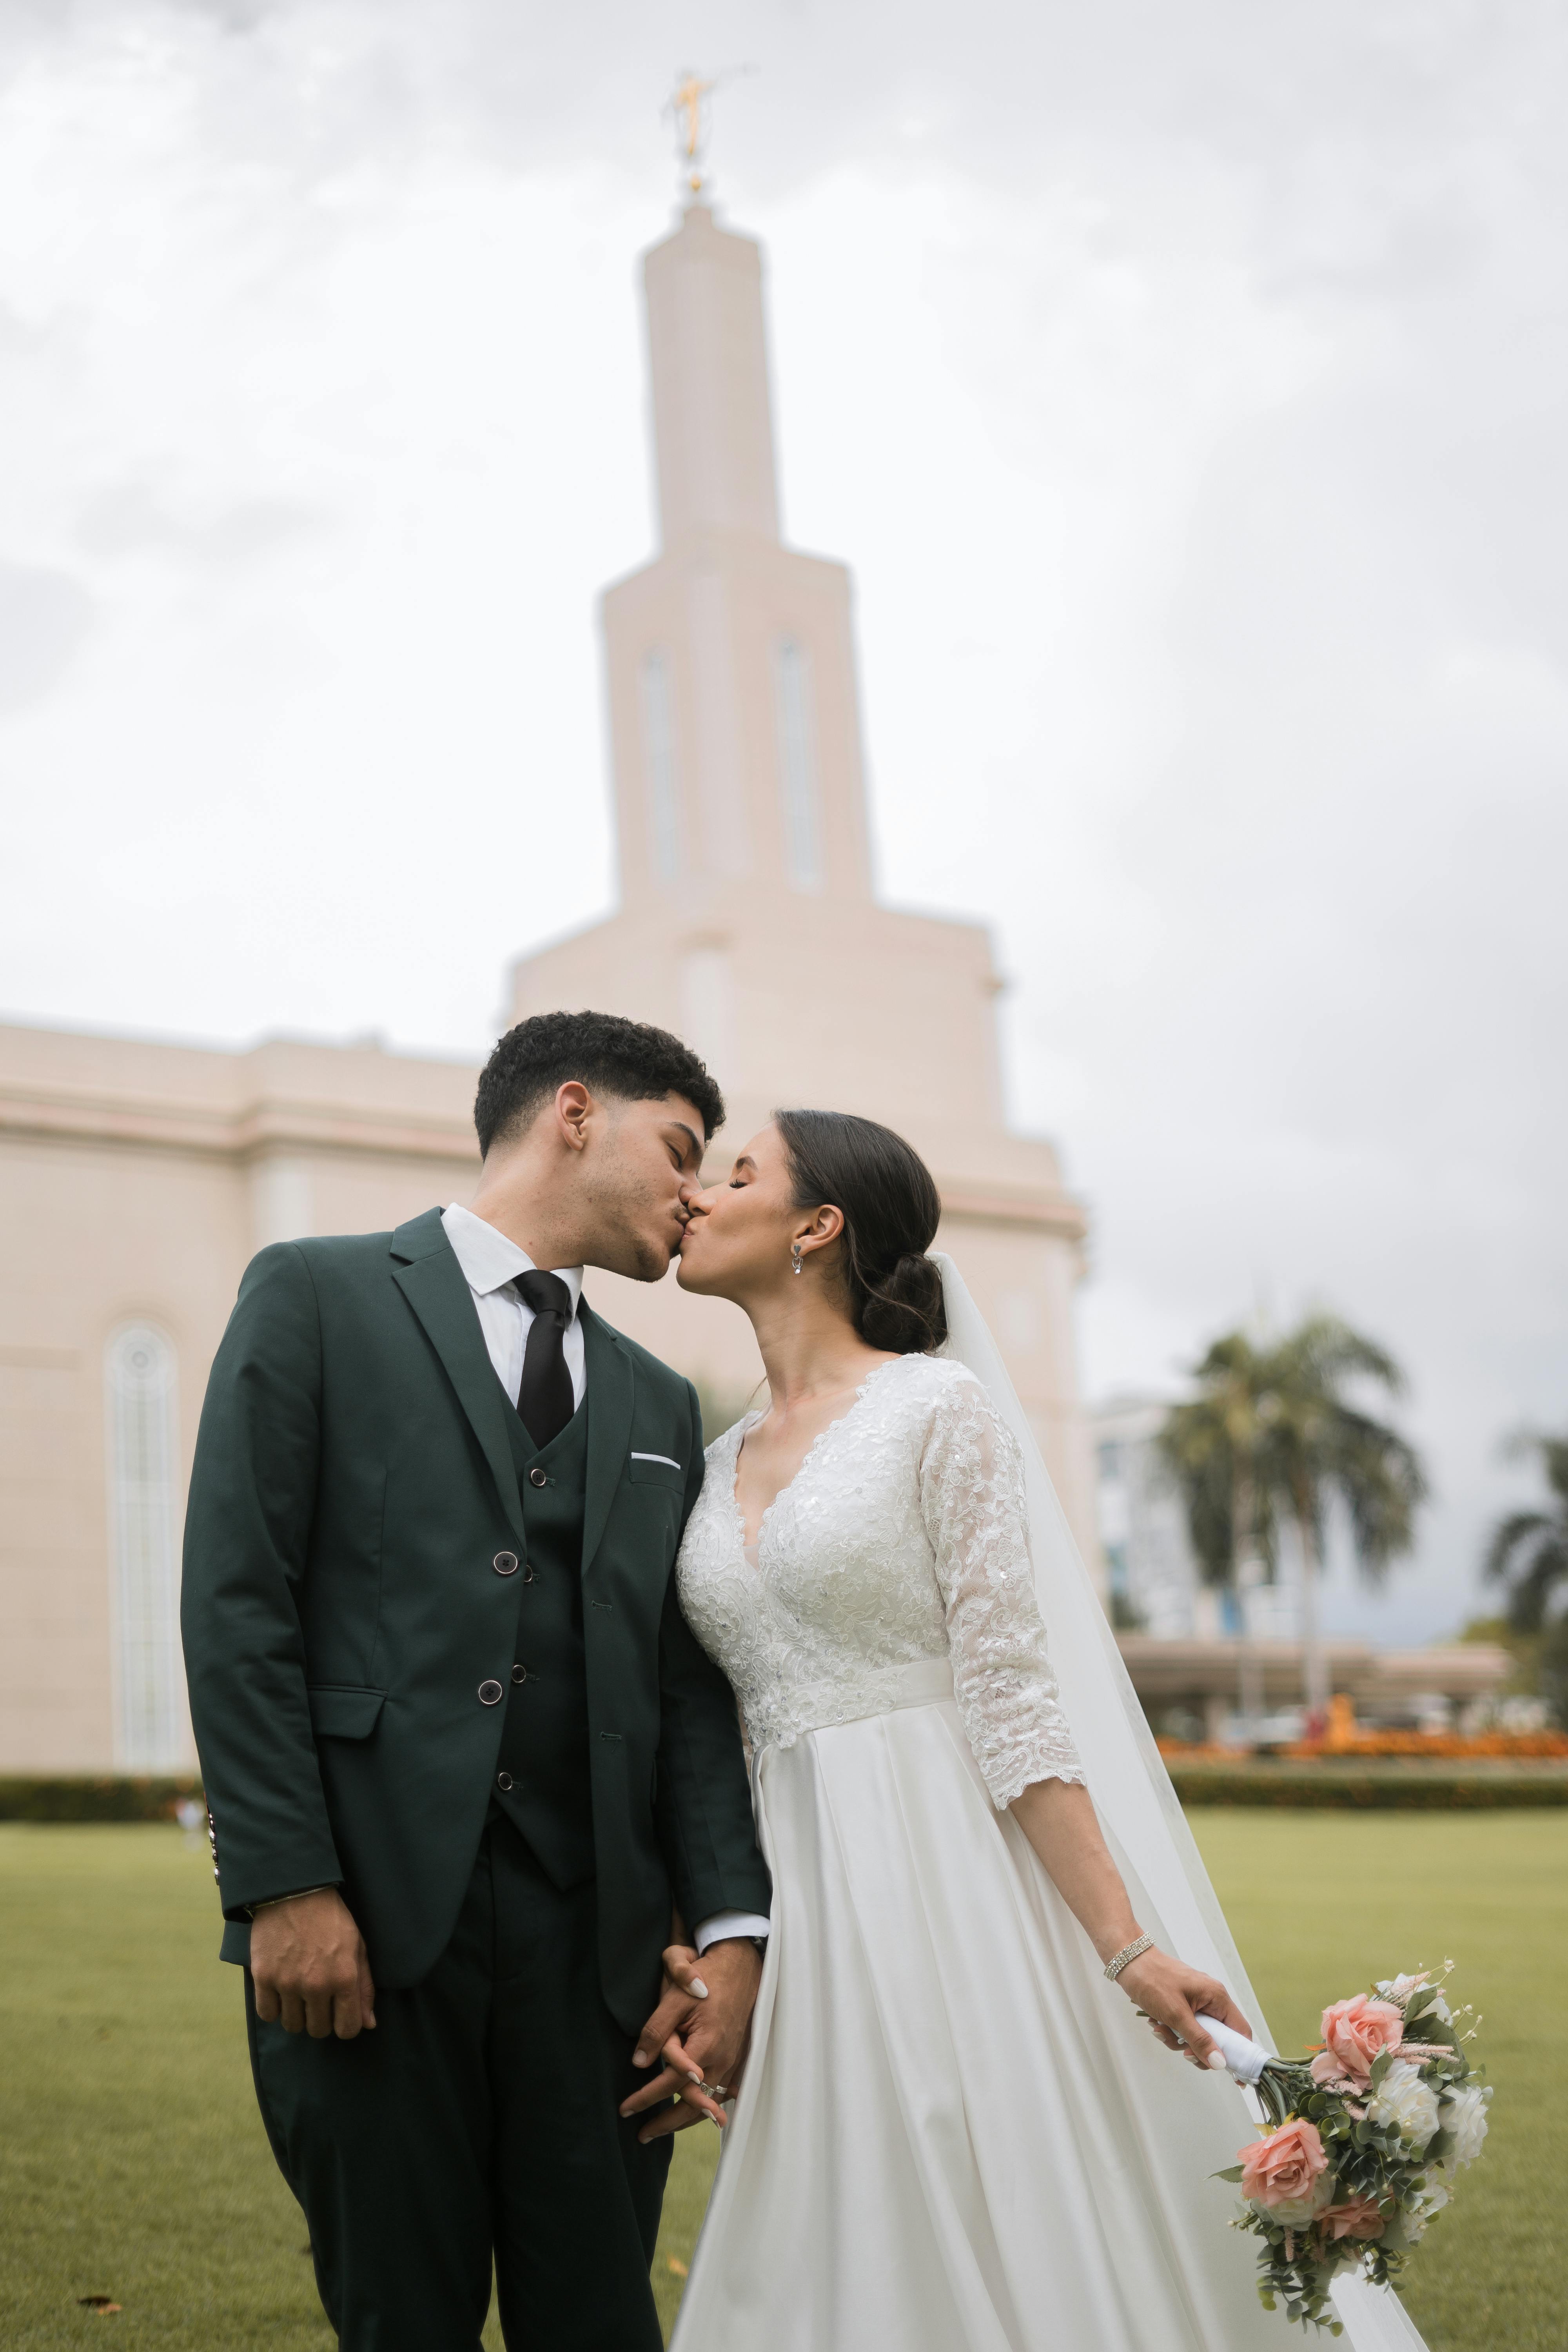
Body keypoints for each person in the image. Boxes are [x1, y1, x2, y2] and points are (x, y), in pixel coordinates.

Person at [632, 1108, 1430, 2352]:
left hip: (956, 1883)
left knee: (1002, 2186)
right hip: (803, 1898)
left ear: (816, 1226)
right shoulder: (710, 1455)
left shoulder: (935, 1414)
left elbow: (1013, 1700)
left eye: (737, 1174)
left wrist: (1127, 1951)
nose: (699, 1196)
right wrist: (709, 1938)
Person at [180, 1011, 772, 2352]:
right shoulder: (317, 1295)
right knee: (403, 2322)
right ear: (575, 1112)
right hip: (366, 1938)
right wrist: (284, 1884)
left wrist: (730, 1932)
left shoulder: (658, 1398)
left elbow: (684, 1694)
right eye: (682, 1150)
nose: (698, 1194)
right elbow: (237, 1604)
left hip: (602, 1970)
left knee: (602, 2325)